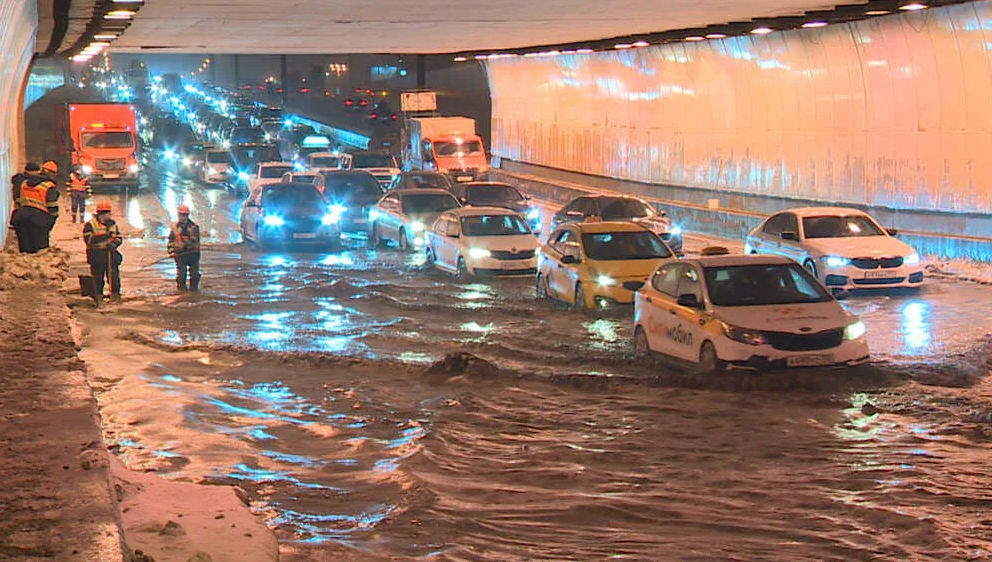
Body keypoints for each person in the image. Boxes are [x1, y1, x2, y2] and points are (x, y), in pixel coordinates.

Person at [9, 162, 58, 252]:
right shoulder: (49, 187)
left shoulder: (24, 183)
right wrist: (51, 222)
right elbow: (52, 208)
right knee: (40, 253)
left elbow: (18, 201)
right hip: (39, 222)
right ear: (53, 174)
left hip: (21, 220)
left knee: (25, 252)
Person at [82, 200, 123, 303]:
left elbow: (118, 237)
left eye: (107, 213)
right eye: (103, 213)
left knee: (114, 277)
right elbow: (89, 240)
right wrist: (105, 236)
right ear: (98, 214)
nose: (106, 216)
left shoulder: (112, 225)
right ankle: (98, 296)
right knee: (98, 278)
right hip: (97, 256)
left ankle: (115, 295)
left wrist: (113, 244)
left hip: (110, 255)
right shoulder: (90, 225)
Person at [167, 204, 201, 292]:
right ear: (178, 215)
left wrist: (184, 242)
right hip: (180, 256)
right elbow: (171, 240)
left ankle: (194, 291)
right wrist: (171, 251)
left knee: (194, 275)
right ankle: (181, 292)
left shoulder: (194, 227)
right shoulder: (175, 228)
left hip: (192, 254)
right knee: (181, 275)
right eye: (181, 215)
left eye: (185, 215)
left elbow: (194, 240)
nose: (183, 217)